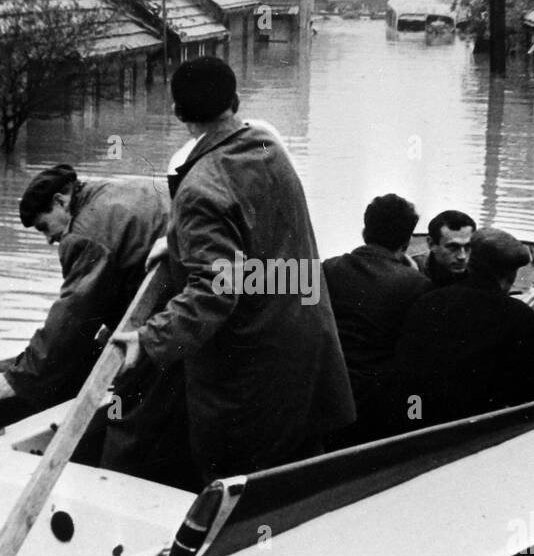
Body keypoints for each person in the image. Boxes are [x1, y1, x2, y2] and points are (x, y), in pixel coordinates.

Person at [112, 57, 355, 483]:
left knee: (236, 486)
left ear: (177, 113)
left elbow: (217, 287)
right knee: (298, 477)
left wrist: (150, 340)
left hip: (252, 365)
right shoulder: (268, 145)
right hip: (306, 336)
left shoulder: (201, 186)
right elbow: (255, 225)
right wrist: (179, 240)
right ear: (236, 100)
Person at [0, 164, 168, 409]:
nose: (49, 239)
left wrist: (20, 378)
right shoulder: (115, 188)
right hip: (187, 302)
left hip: (164, 323)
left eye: (44, 227)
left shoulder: (83, 235)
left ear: (61, 201)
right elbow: (128, 260)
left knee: (130, 416)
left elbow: (74, 313)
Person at [393, 228, 534, 429]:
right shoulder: (519, 316)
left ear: (470, 260)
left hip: (413, 415)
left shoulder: (427, 301)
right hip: (466, 429)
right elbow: (527, 386)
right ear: (511, 275)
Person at [322, 194, 432, 442]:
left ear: (364, 231)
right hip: (381, 403)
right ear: (406, 241)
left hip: (330, 393)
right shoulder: (418, 285)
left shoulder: (328, 268)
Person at [410, 209, 476, 286]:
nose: (462, 256)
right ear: (431, 244)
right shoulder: (414, 270)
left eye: (468, 247)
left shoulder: (479, 271)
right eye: (453, 247)